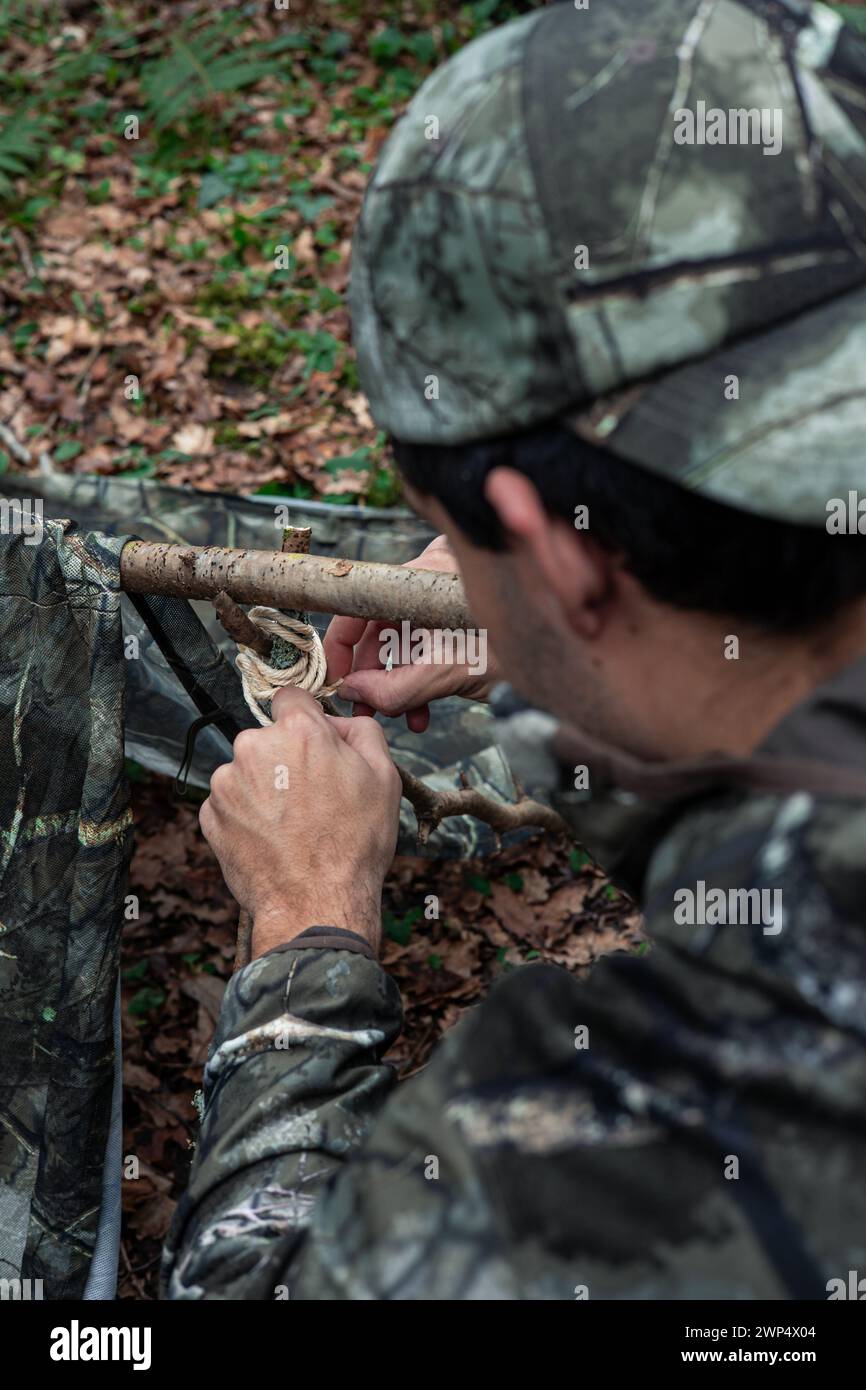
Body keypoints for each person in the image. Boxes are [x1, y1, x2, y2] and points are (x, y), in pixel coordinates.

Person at [163, 0, 866, 1299]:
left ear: (558, 554)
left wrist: (306, 934)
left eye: (457, 541)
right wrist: (563, 651)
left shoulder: (589, 1170)